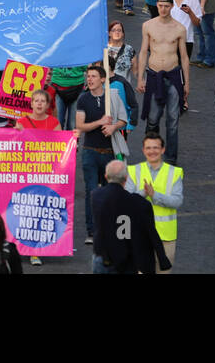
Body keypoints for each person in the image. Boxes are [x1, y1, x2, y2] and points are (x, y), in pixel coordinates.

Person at [92, 159, 172, 274]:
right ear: (126, 179)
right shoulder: (138, 203)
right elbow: (151, 232)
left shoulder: (96, 196)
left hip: (102, 257)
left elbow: (117, 197)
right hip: (125, 259)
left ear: (106, 176)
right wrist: (162, 258)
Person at [136, 0, 189, 161]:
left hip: (173, 76)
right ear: (157, 5)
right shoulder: (148, 26)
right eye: (160, 6)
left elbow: (184, 57)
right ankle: (152, 154)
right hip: (153, 75)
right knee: (152, 119)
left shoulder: (180, 28)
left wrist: (187, 83)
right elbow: (143, 52)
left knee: (173, 120)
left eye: (166, 6)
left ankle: (171, 159)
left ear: (172, 7)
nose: (163, 9)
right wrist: (140, 78)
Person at [124, 133, 183, 271]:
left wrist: (154, 195)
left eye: (156, 147)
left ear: (163, 150)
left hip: (165, 236)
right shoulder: (133, 170)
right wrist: (144, 193)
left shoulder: (174, 172)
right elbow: (126, 201)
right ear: (143, 150)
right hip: (140, 235)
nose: (152, 151)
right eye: (148, 148)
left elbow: (177, 201)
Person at [76, 64, 119, 245]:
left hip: (109, 152)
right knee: (92, 191)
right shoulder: (83, 99)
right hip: (90, 152)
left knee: (109, 193)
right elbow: (80, 126)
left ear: (103, 79)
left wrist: (113, 127)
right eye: (88, 76)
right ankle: (92, 231)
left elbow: (124, 119)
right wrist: (99, 122)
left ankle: (107, 229)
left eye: (93, 76)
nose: (89, 79)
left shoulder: (112, 97)